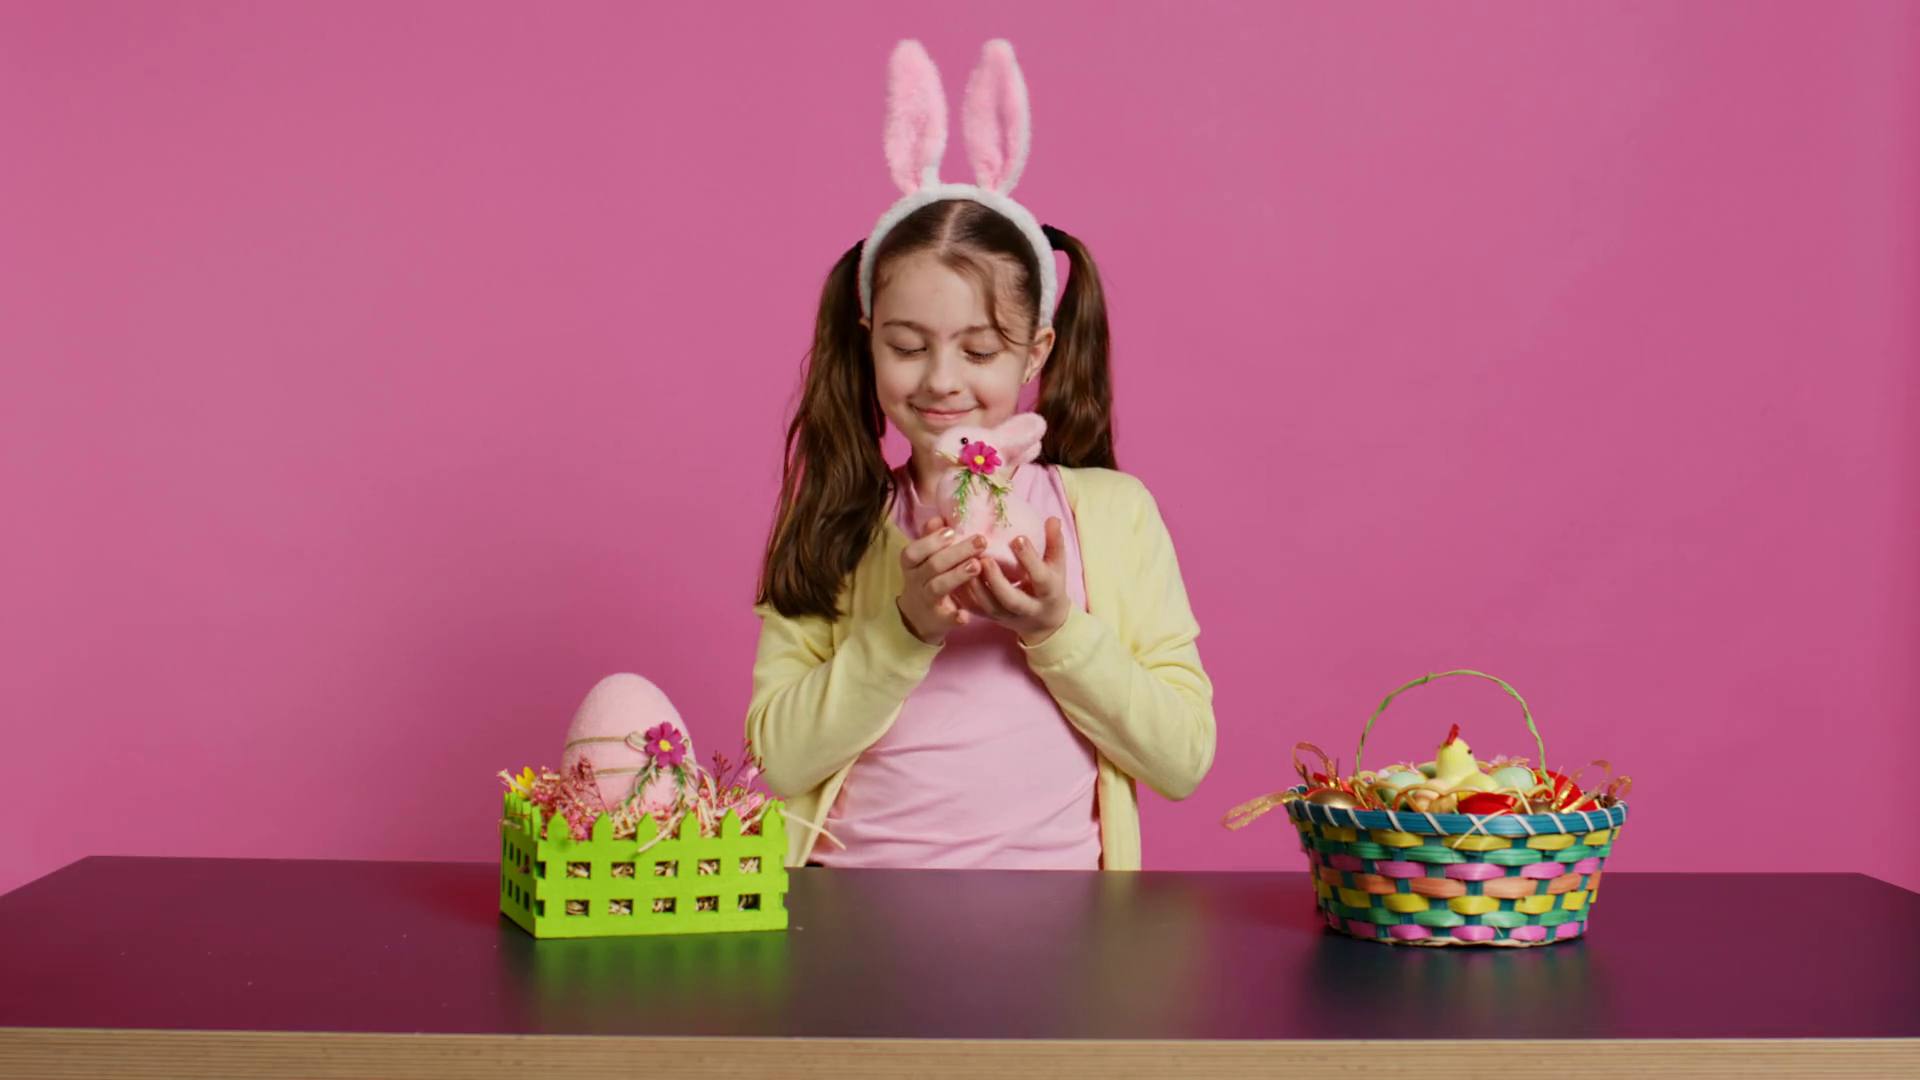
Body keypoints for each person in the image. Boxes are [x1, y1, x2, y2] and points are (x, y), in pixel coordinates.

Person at [747, 39, 1214, 870]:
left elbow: (1181, 759)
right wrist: (906, 625)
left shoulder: (1113, 515)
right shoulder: (838, 520)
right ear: (868, 342)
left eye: (980, 349)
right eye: (907, 346)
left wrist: (1055, 628)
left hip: (1060, 917)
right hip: (848, 907)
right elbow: (778, 761)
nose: (941, 380)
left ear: (1035, 354)